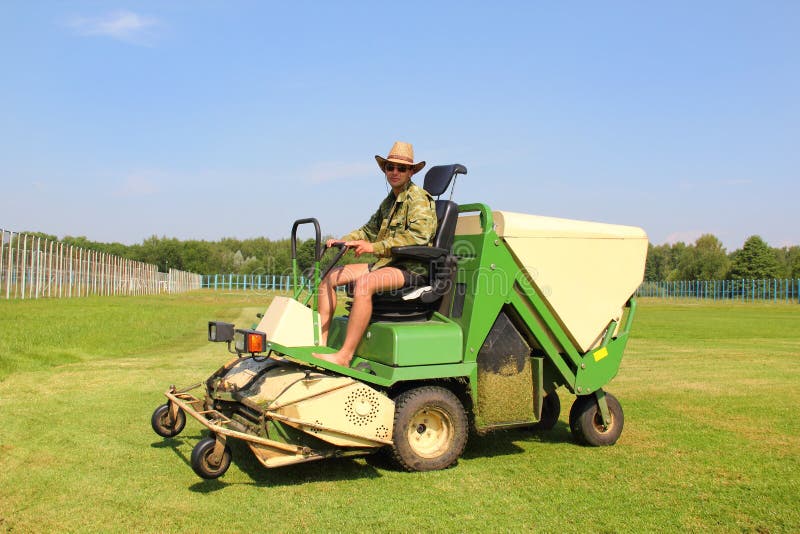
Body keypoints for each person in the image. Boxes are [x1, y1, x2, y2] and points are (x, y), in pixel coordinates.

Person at [313, 141, 437, 366]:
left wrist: (374, 247)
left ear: (411, 171)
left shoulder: (418, 198)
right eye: (390, 167)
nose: (395, 172)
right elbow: (368, 230)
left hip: (412, 268)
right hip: (388, 264)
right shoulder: (389, 201)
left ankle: (344, 356)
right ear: (385, 170)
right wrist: (345, 240)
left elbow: (419, 237)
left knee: (364, 284)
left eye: (401, 168)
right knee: (329, 277)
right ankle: (320, 344)